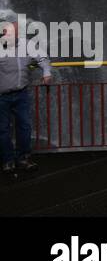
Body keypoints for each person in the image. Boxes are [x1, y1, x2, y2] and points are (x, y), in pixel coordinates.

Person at [0, 10, 51, 174]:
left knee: (25, 127)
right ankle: (7, 161)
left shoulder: (27, 44)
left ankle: (23, 158)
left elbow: (42, 58)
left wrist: (46, 72)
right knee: (3, 129)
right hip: (1, 96)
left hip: (21, 94)